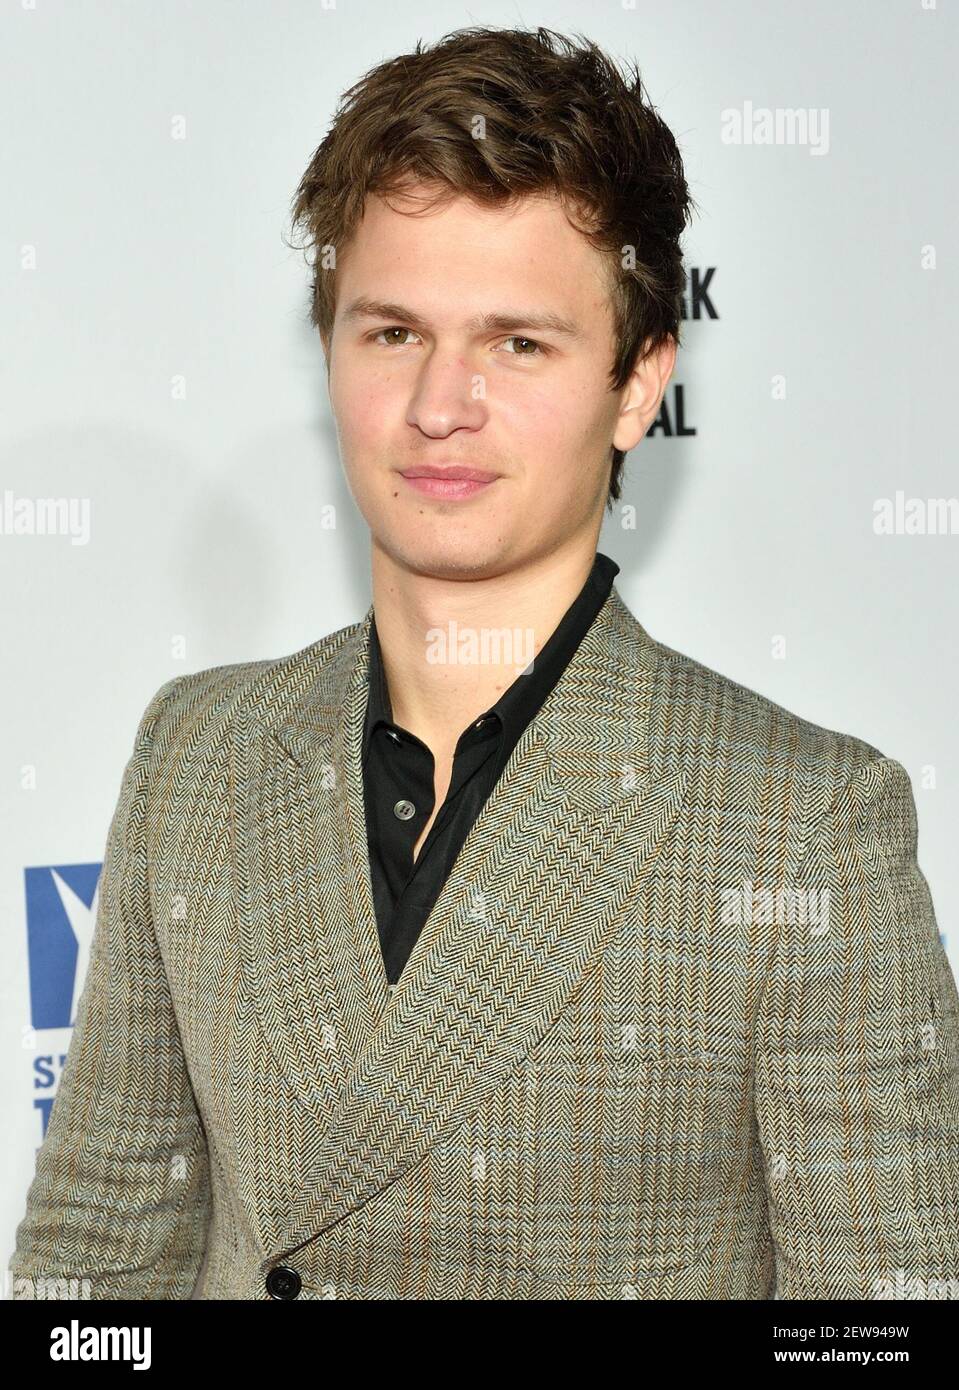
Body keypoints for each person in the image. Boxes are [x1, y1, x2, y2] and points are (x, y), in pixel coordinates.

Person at [10, 25, 959, 1301]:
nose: (438, 403)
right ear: (331, 350)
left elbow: (879, 1327)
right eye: (392, 332)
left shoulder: (798, 824)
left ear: (636, 386)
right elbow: (94, 1274)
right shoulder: (194, 752)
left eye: (518, 343)